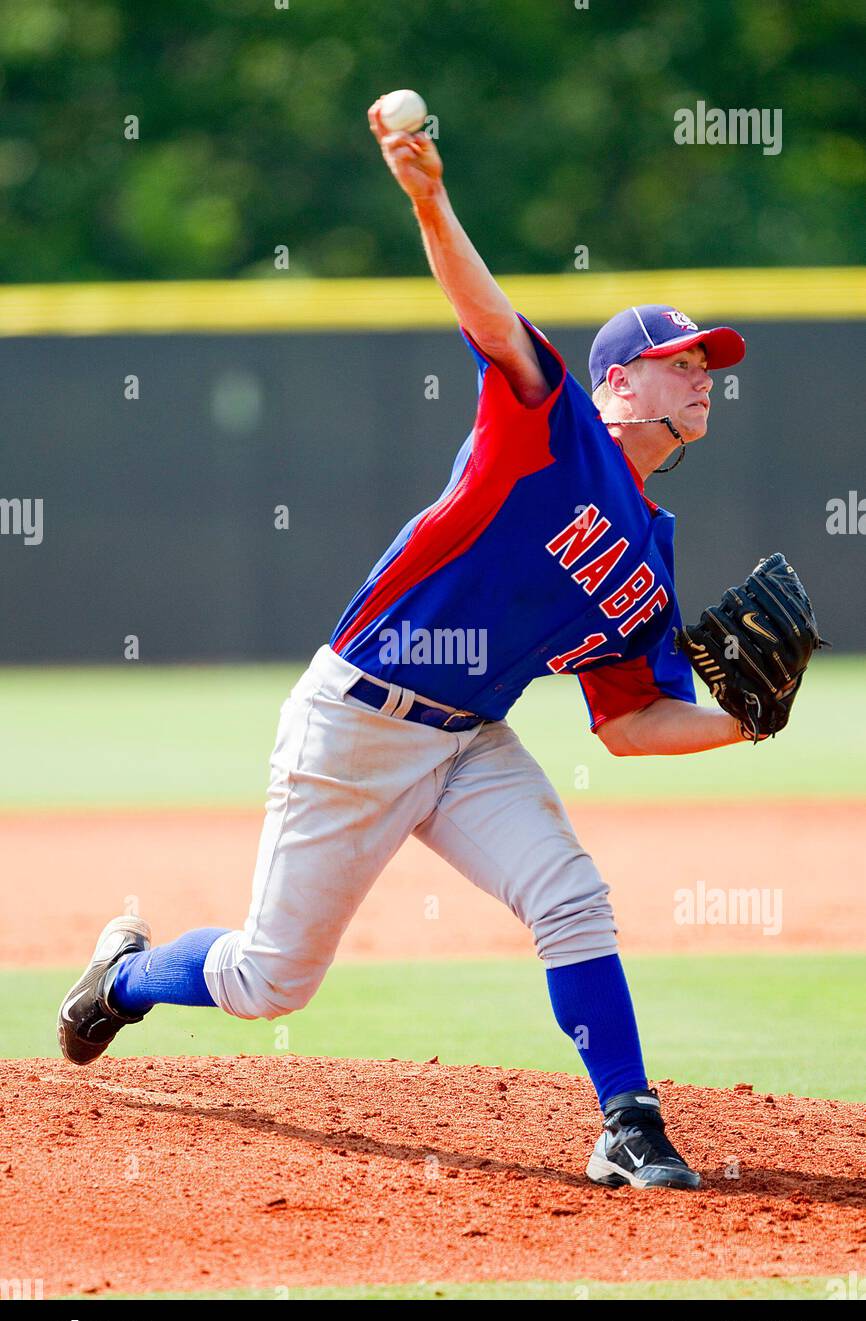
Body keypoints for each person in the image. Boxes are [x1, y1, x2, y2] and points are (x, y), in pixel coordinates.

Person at [58, 98, 751, 1191]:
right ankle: (125, 976)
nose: (700, 373)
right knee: (269, 979)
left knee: (568, 894)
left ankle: (627, 1121)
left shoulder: (649, 560)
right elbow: (484, 313)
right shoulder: (550, 422)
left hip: (468, 743)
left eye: (706, 362)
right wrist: (428, 195)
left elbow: (625, 724)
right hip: (356, 720)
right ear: (615, 382)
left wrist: (740, 721)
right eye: (676, 360)